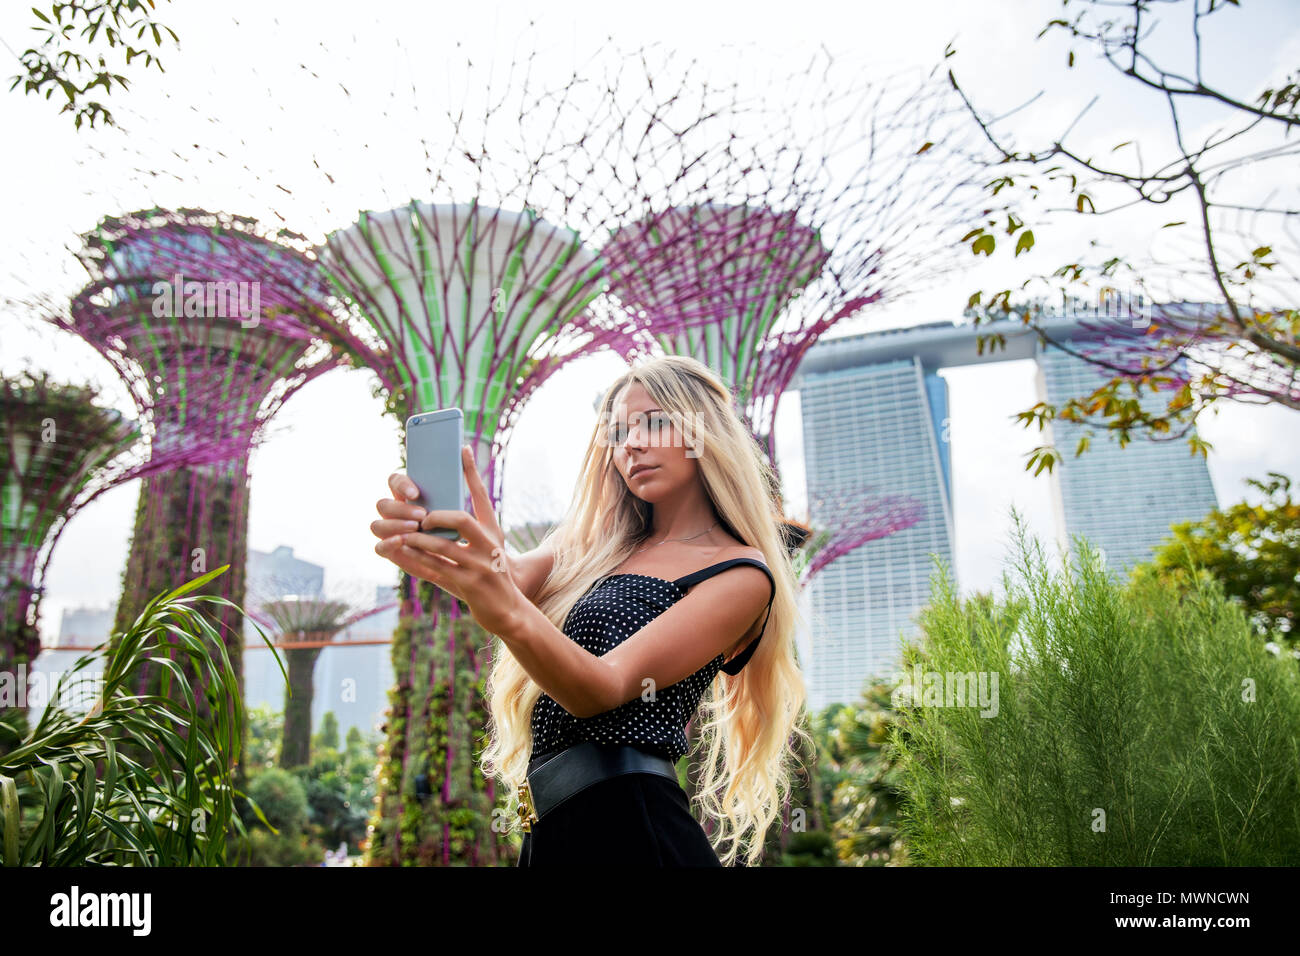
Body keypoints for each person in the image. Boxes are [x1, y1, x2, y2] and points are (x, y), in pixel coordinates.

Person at [370, 355, 809, 866]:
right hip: (551, 829)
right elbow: (500, 577)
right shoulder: (592, 546)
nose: (632, 444)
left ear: (703, 432)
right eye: (618, 432)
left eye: (655, 422)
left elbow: (602, 688)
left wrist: (506, 611)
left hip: (634, 827)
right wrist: (441, 534)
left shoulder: (739, 574)